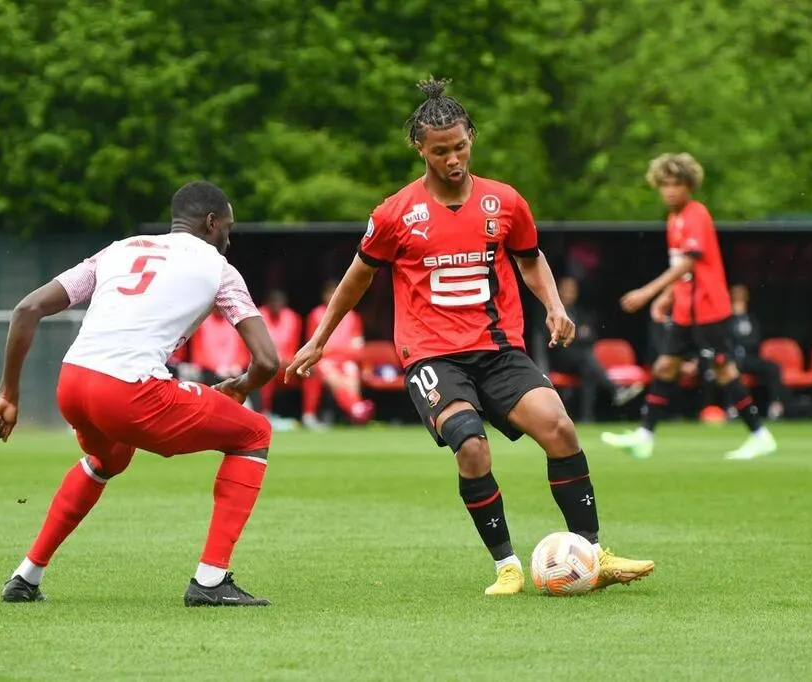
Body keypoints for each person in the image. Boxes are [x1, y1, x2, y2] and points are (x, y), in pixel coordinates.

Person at [286, 78, 653, 595]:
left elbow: (531, 260)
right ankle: (506, 565)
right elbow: (358, 276)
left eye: (460, 146)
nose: (453, 158)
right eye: (440, 151)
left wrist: (553, 306)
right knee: (472, 447)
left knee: (560, 428)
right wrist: (320, 338)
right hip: (433, 356)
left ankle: (590, 554)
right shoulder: (394, 214)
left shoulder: (504, 202)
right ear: (420, 149)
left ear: (471, 138)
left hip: (498, 350)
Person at [0, 181, 279, 607]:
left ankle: (26, 576)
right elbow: (267, 360)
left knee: (110, 458)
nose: (228, 240)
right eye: (227, 229)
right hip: (128, 391)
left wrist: (8, 395)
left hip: (73, 383)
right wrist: (241, 386)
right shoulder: (218, 267)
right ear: (211, 222)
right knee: (254, 434)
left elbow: (27, 309)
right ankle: (211, 581)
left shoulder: (118, 249)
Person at [602, 153, 777, 460]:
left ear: (689, 185)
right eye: (665, 184)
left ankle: (760, 435)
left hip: (709, 309)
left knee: (723, 369)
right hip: (685, 309)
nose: (670, 190)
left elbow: (690, 260)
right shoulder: (674, 219)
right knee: (665, 365)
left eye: (677, 183)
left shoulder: (697, 214)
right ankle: (645, 436)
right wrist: (667, 296)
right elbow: (680, 267)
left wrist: (647, 292)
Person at [548, 276, 643, 422]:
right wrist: (579, 335)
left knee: (588, 369)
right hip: (561, 359)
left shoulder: (580, 313)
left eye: (572, 291)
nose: (569, 294)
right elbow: (556, 340)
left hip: (581, 360)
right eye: (566, 290)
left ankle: (587, 417)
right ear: (558, 291)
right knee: (587, 358)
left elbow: (590, 337)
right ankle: (616, 390)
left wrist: (579, 336)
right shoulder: (552, 312)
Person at [301, 280, 374, 428]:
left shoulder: (353, 317)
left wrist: (336, 350)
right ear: (324, 296)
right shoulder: (316, 315)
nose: (333, 296)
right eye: (330, 293)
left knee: (351, 373)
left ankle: (355, 412)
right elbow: (312, 346)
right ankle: (356, 407)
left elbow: (357, 349)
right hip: (324, 359)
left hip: (346, 360)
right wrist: (335, 351)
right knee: (331, 373)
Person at [729, 284, 786, 420]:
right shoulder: (727, 319)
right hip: (734, 358)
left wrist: (743, 340)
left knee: (773, 368)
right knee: (730, 371)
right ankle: (733, 407)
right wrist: (735, 317)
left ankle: (775, 406)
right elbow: (727, 338)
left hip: (749, 358)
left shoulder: (751, 319)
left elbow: (755, 340)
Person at [256, 289, 302, 422]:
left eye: (279, 302)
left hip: (287, 365)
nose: (276, 305)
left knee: (312, 372)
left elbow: (293, 346)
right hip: (265, 363)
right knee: (266, 370)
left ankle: (308, 415)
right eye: (273, 302)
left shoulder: (293, 317)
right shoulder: (257, 316)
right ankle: (264, 413)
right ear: (267, 303)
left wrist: (287, 362)